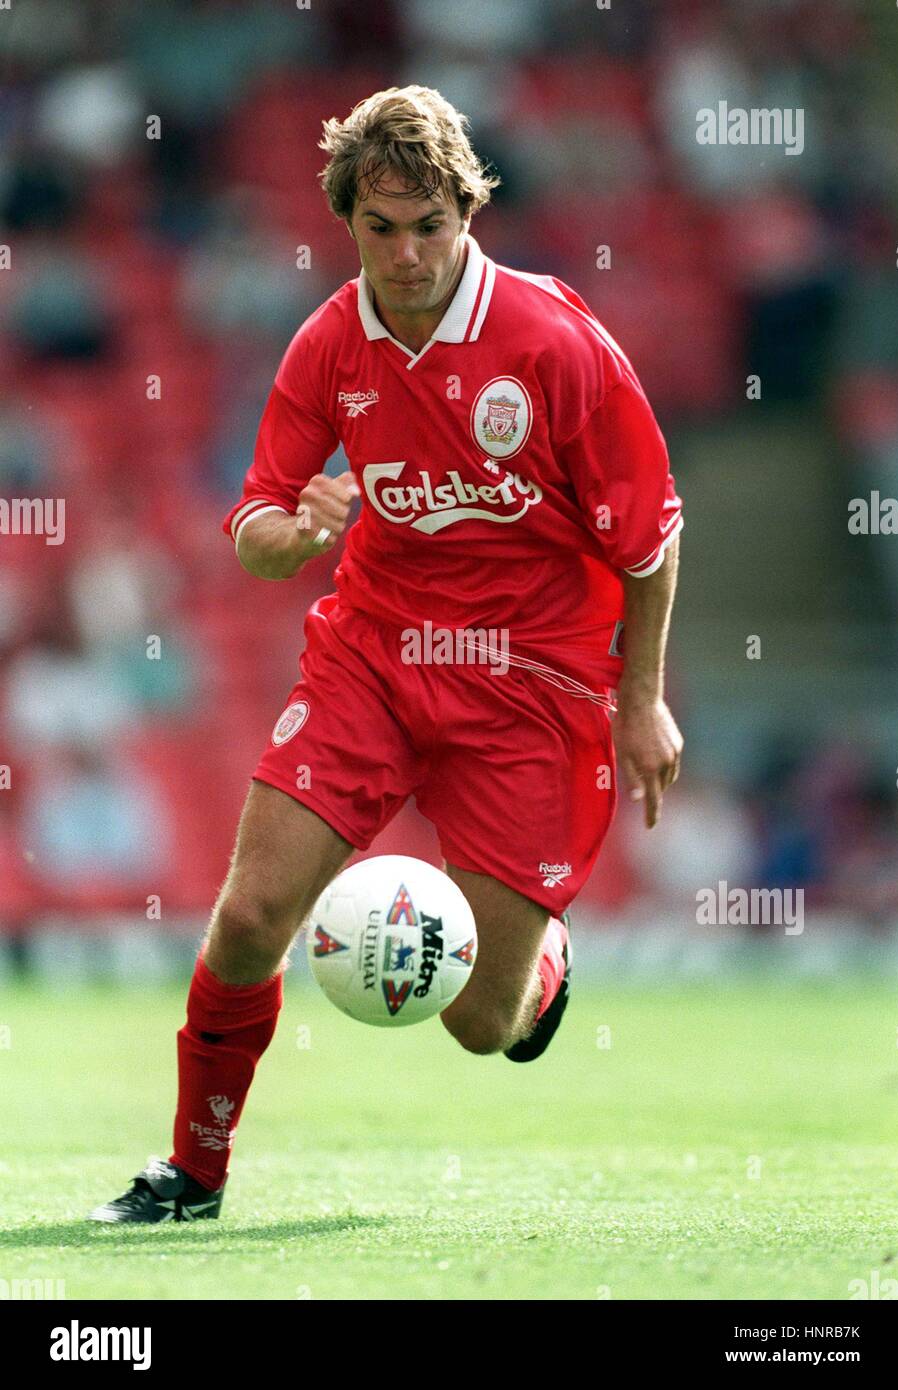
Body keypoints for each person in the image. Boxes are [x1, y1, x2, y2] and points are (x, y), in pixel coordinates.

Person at [90, 86, 683, 1223]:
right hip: (375, 653)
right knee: (254, 914)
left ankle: (542, 964)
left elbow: (652, 537)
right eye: (380, 228)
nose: (406, 254)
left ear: (468, 211)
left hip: (534, 681)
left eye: (429, 225)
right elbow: (257, 532)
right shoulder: (326, 345)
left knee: (481, 1023)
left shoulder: (553, 344)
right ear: (346, 223)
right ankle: (192, 1174)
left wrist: (640, 700)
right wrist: (298, 532)